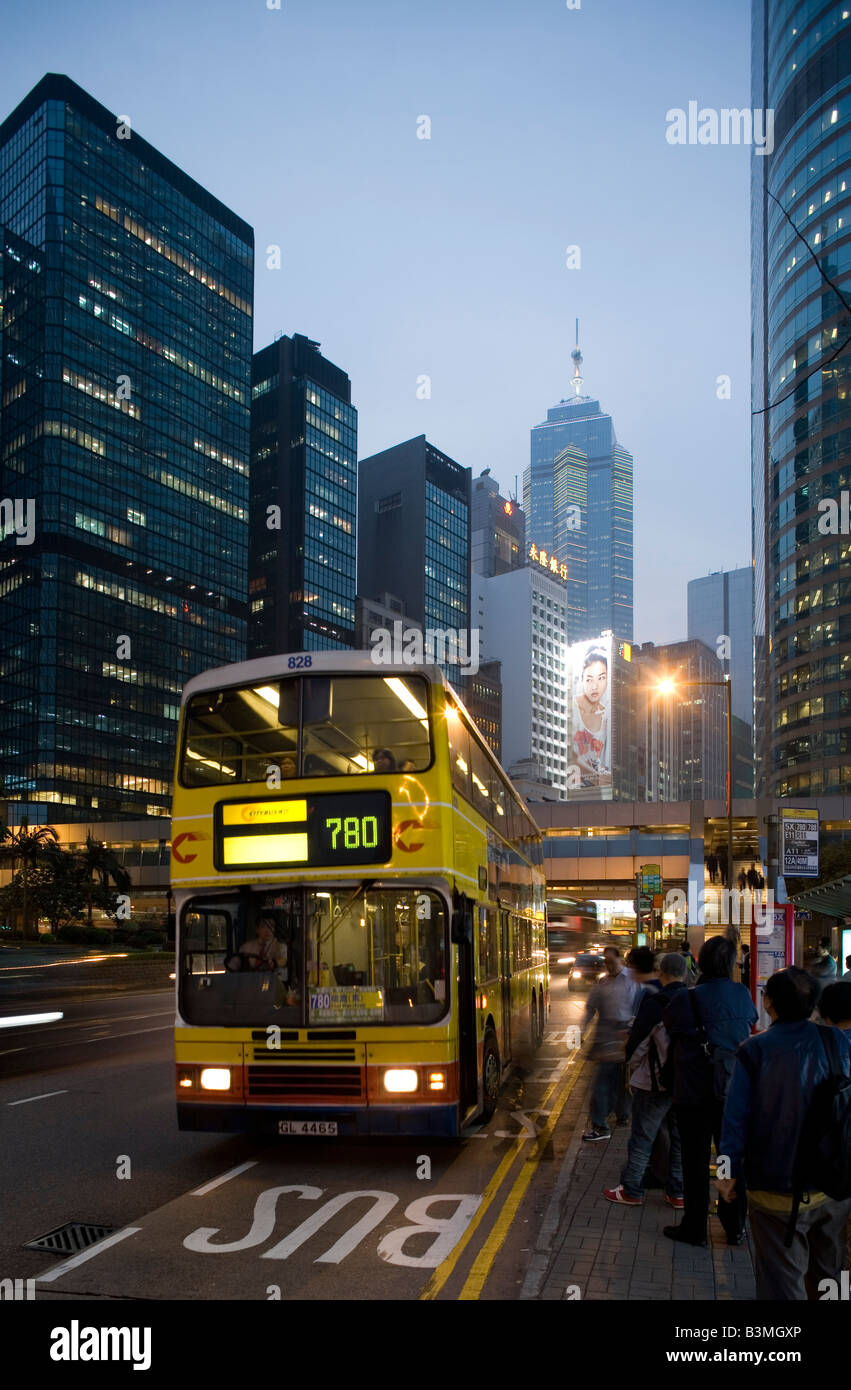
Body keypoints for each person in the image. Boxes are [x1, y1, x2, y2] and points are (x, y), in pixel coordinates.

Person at [718, 966, 851, 1300]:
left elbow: (733, 1121)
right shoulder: (836, 1040)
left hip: (775, 1187)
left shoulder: (753, 1050)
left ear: (769, 1003)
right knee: (830, 1276)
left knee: (781, 1282)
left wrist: (725, 1173)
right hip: (833, 1184)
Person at [662, 934, 757, 1246]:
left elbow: (671, 1036)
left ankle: (694, 1228)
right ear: (731, 964)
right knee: (728, 1158)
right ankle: (734, 1227)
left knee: (695, 1160)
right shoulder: (742, 994)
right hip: (731, 1092)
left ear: (700, 961)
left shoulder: (685, 998)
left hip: (692, 1093)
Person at [604, 953, 689, 1208]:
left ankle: (631, 1189)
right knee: (678, 1139)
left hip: (655, 1083)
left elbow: (638, 1045)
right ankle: (677, 1192)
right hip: (685, 1084)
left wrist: (630, 1067)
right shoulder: (694, 999)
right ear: (685, 974)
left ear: (661, 973)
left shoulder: (657, 1002)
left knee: (642, 1136)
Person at [582, 946, 641, 1142]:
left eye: (611, 961)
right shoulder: (602, 982)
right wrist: (581, 1031)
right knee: (604, 1081)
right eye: (605, 962)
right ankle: (600, 1123)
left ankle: (622, 1115)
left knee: (623, 1080)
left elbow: (640, 1007)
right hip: (606, 1038)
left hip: (627, 1035)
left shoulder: (633, 979)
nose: (608, 965)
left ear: (620, 960)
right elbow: (590, 1008)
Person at [572, 648, 610, 789]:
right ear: (582, 680)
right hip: (573, 787)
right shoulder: (571, 709)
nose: (595, 686)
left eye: (601, 678)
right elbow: (570, 756)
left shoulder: (606, 715)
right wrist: (596, 777)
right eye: (589, 679)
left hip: (596, 791)